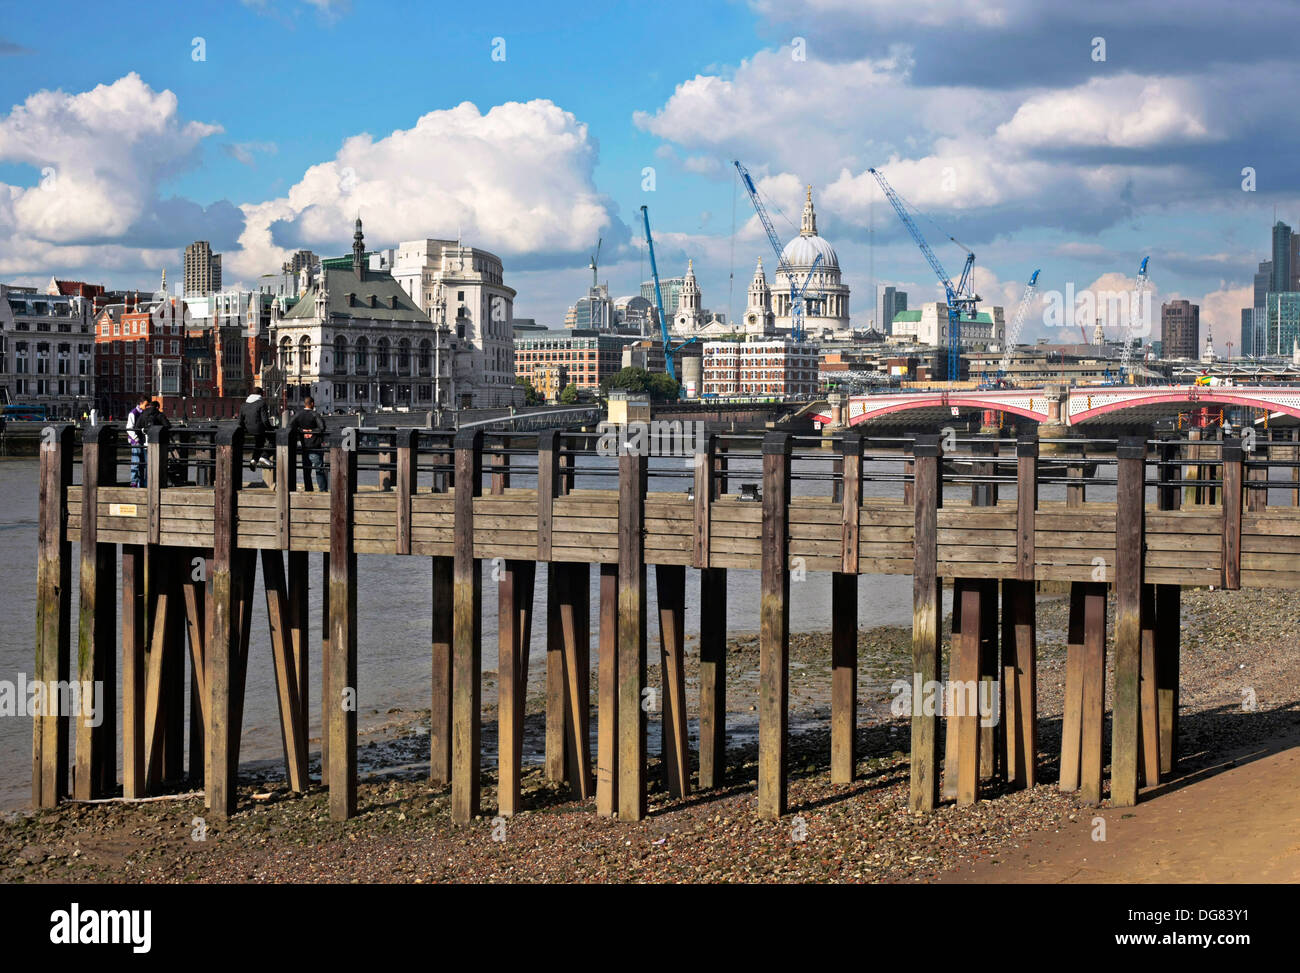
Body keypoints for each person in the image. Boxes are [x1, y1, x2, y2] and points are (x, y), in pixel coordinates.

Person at [290, 396, 328, 492]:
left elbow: (289, 425)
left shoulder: (298, 415)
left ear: (304, 404)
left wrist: (301, 431)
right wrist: (312, 431)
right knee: (319, 469)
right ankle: (323, 490)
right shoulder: (315, 414)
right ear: (312, 404)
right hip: (315, 445)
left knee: (306, 471)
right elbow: (322, 427)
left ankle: (309, 489)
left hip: (304, 446)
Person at [239, 387, 273, 470]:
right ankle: (265, 456)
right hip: (258, 428)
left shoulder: (244, 404)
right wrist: (271, 429)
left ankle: (254, 460)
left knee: (259, 443)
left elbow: (240, 420)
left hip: (247, 429)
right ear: (261, 394)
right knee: (274, 439)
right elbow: (265, 420)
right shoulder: (261, 403)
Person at [125, 395, 149, 487]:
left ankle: (141, 483)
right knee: (136, 462)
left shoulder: (143, 412)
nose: (147, 407)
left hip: (143, 441)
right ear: (141, 403)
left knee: (142, 462)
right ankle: (134, 482)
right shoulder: (133, 413)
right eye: (146, 405)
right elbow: (129, 428)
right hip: (136, 441)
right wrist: (135, 438)